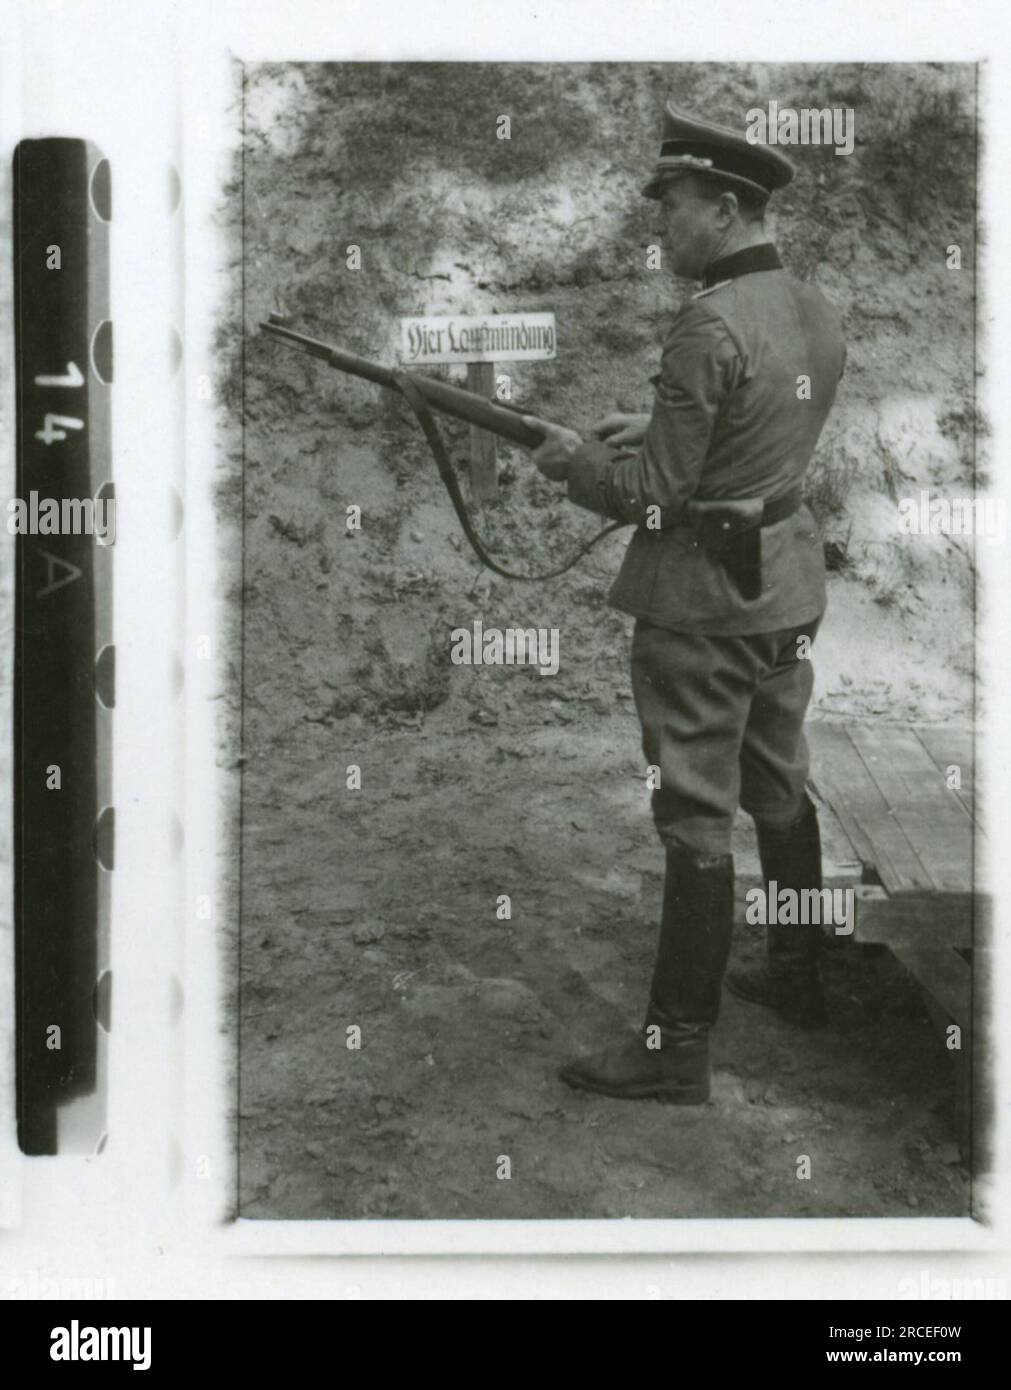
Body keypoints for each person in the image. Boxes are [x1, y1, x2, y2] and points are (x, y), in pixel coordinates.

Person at [522, 103, 847, 1104]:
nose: (662, 226)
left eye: (676, 207)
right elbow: (752, 441)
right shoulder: (811, 306)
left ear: (728, 205)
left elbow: (656, 496)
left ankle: (674, 1049)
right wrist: (654, 423)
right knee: (780, 785)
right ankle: (803, 976)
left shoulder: (707, 321)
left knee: (694, 818)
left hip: (703, 608)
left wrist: (575, 464)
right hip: (783, 586)